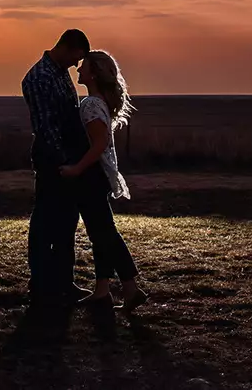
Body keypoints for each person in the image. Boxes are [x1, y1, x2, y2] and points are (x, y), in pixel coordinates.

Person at [60, 50, 149, 312]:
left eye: (83, 67)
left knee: (105, 233)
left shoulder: (90, 105)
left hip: (91, 177)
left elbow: (99, 144)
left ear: (94, 73)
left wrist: (77, 169)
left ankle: (131, 288)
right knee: (100, 233)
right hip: (95, 176)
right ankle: (102, 290)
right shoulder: (98, 103)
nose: (78, 71)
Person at [20, 28, 92, 305]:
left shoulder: (58, 73)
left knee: (66, 222)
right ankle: (40, 284)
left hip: (67, 157)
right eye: (77, 57)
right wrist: (64, 161)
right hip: (53, 159)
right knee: (45, 222)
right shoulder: (39, 78)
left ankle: (64, 282)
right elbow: (45, 126)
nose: (77, 65)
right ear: (67, 47)